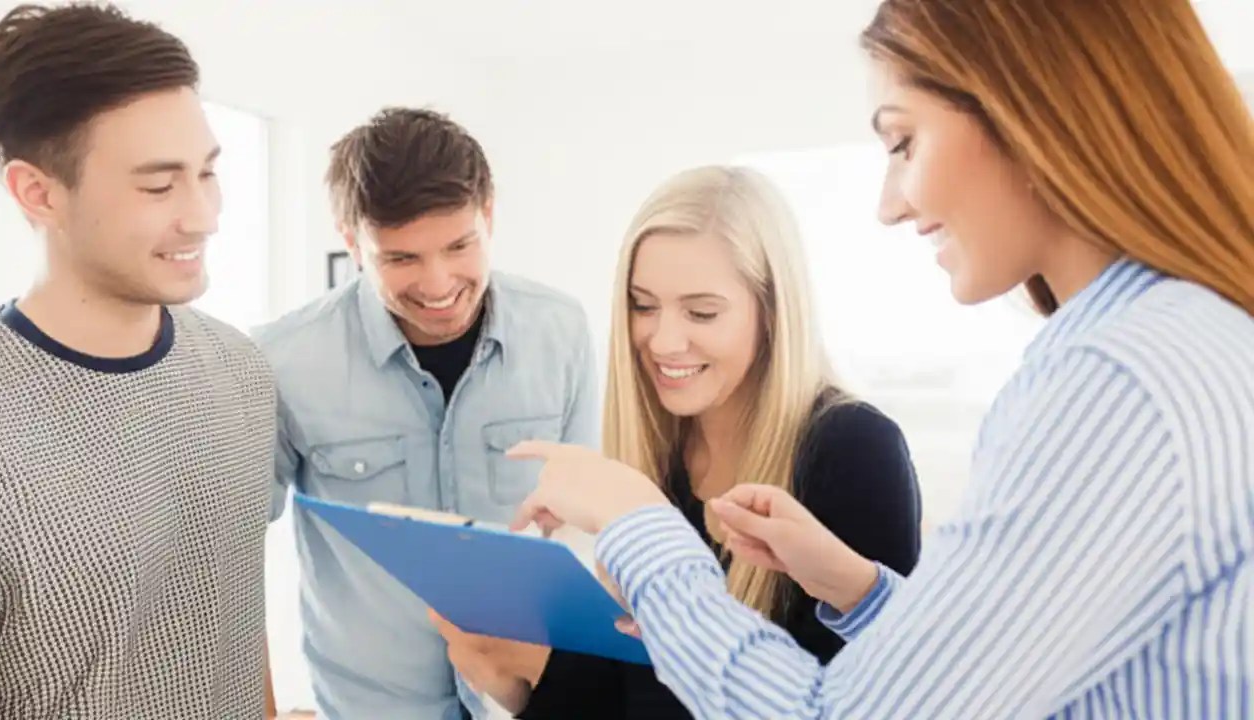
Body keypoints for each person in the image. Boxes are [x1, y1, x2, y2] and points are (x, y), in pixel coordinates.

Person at [498, 1, 1254, 718]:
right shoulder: (1178, 340)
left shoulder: (1115, 385)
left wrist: (638, 526)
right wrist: (861, 593)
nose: (890, 203)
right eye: (644, 304)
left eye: (903, 143)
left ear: (1031, 116)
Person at [433, 166, 923, 718]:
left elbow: (845, 701)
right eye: (644, 306)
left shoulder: (854, 450)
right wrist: (515, 684)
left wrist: (542, 670)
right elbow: (629, 693)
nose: (663, 340)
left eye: (702, 312)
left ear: (773, 313)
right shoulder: (657, 451)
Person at [0, 4, 278, 718]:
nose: (203, 215)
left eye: (207, 172)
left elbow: (234, 617)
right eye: (158, 184)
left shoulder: (240, 371)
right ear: (37, 193)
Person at [253, 107, 599, 720]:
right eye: (401, 259)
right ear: (351, 240)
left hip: (533, 703)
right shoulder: (283, 361)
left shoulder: (561, 330)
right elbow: (226, 552)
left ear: (488, 214)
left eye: (460, 245)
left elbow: (585, 529)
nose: (439, 284)